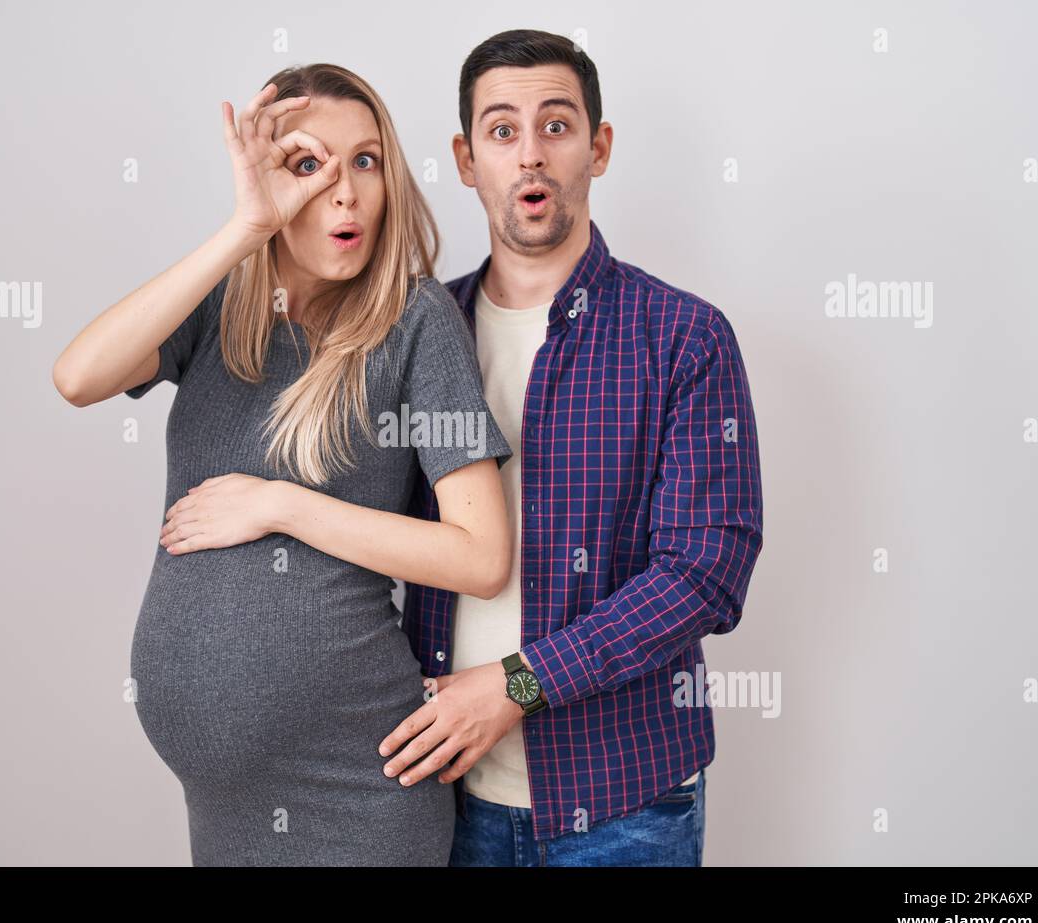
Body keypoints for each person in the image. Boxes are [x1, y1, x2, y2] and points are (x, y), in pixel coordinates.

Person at [51, 64, 513, 866]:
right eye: (309, 166)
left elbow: (479, 555)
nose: (345, 193)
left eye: (366, 162)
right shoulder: (221, 308)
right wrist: (245, 229)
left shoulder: (415, 323)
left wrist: (282, 505)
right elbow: (78, 377)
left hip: (356, 783)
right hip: (227, 802)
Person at [386, 29, 765, 866]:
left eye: (556, 126)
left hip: (628, 801)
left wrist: (519, 684)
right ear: (464, 156)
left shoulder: (684, 336)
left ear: (598, 148)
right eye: (501, 130)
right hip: (437, 798)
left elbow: (707, 571)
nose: (530, 155)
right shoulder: (417, 337)